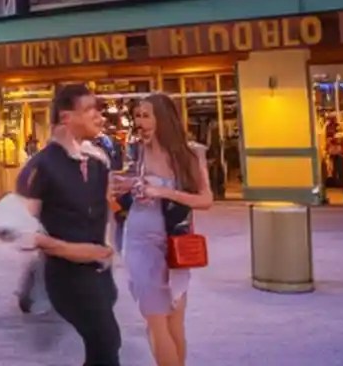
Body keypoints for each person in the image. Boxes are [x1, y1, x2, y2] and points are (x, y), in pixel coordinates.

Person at [16, 84, 120, 366]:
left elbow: (104, 208)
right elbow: (20, 230)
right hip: (67, 276)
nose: (98, 116)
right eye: (89, 110)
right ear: (66, 118)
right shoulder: (41, 166)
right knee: (107, 341)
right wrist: (70, 249)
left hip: (100, 273)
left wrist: (106, 247)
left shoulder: (98, 160)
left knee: (104, 346)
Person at [116, 92, 213, 366]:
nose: (140, 122)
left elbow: (205, 200)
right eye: (137, 116)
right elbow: (136, 187)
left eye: (146, 115)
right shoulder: (138, 151)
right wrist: (127, 185)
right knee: (157, 322)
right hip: (139, 242)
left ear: (164, 119)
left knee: (173, 323)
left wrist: (163, 192)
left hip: (173, 244)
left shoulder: (189, 154)